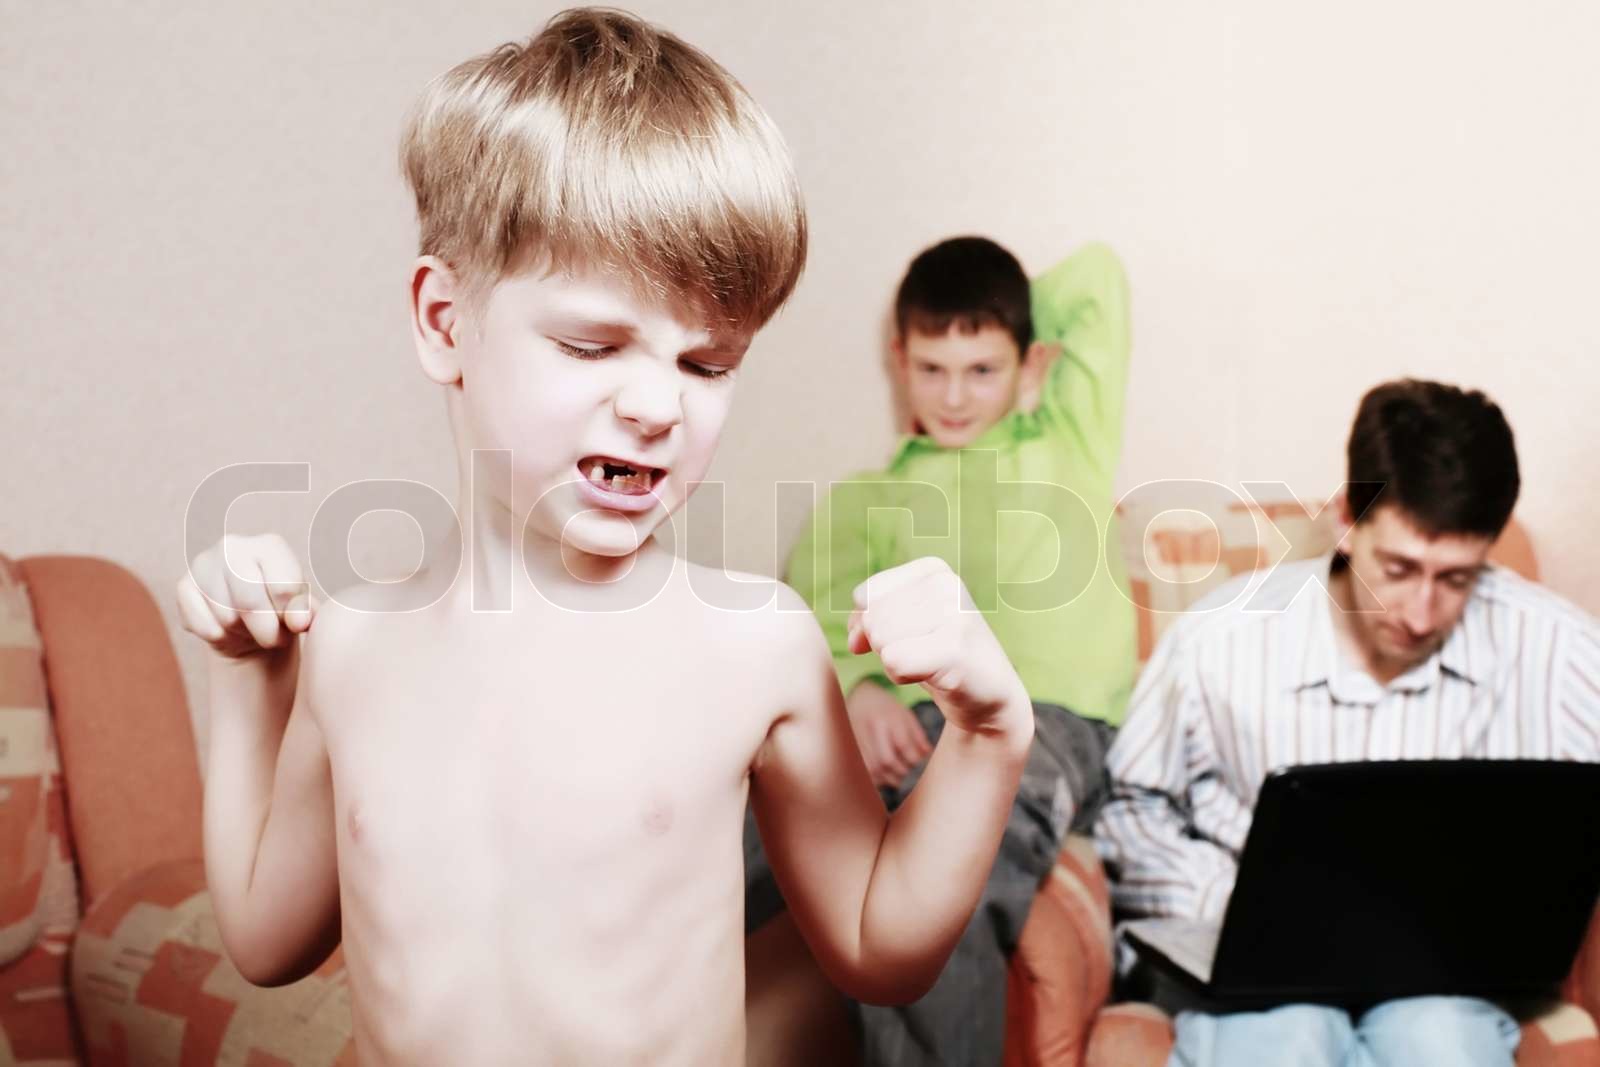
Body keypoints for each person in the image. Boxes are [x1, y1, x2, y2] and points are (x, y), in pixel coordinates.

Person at [174, 11, 1038, 1064]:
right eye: (594, 342)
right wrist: (247, 674)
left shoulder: (749, 643)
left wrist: (989, 734)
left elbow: (876, 946)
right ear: (445, 322)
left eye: (707, 363)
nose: (657, 406)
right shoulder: (352, 645)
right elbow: (265, 939)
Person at [1096, 378, 1600, 1066]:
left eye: (1456, 578)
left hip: (1448, 985)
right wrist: (1234, 904)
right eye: (1398, 567)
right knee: (1283, 1042)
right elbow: (1131, 809)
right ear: (1345, 521)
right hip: (1255, 978)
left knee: (1441, 1045)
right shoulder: (1218, 639)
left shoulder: (1560, 650)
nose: (1420, 612)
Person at [759, 236, 1139, 1065]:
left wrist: (1018, 340)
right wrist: (861, 688)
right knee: (740, 832)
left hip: (1052, 721)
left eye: (982, 369)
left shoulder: (1065, 436)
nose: (956, 396)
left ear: (1029, 362)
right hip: (912, 718)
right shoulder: (869, 496)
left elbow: (1098, 279)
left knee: (946, 882)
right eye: (932, 368)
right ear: (899, 359)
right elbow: (818, 613)